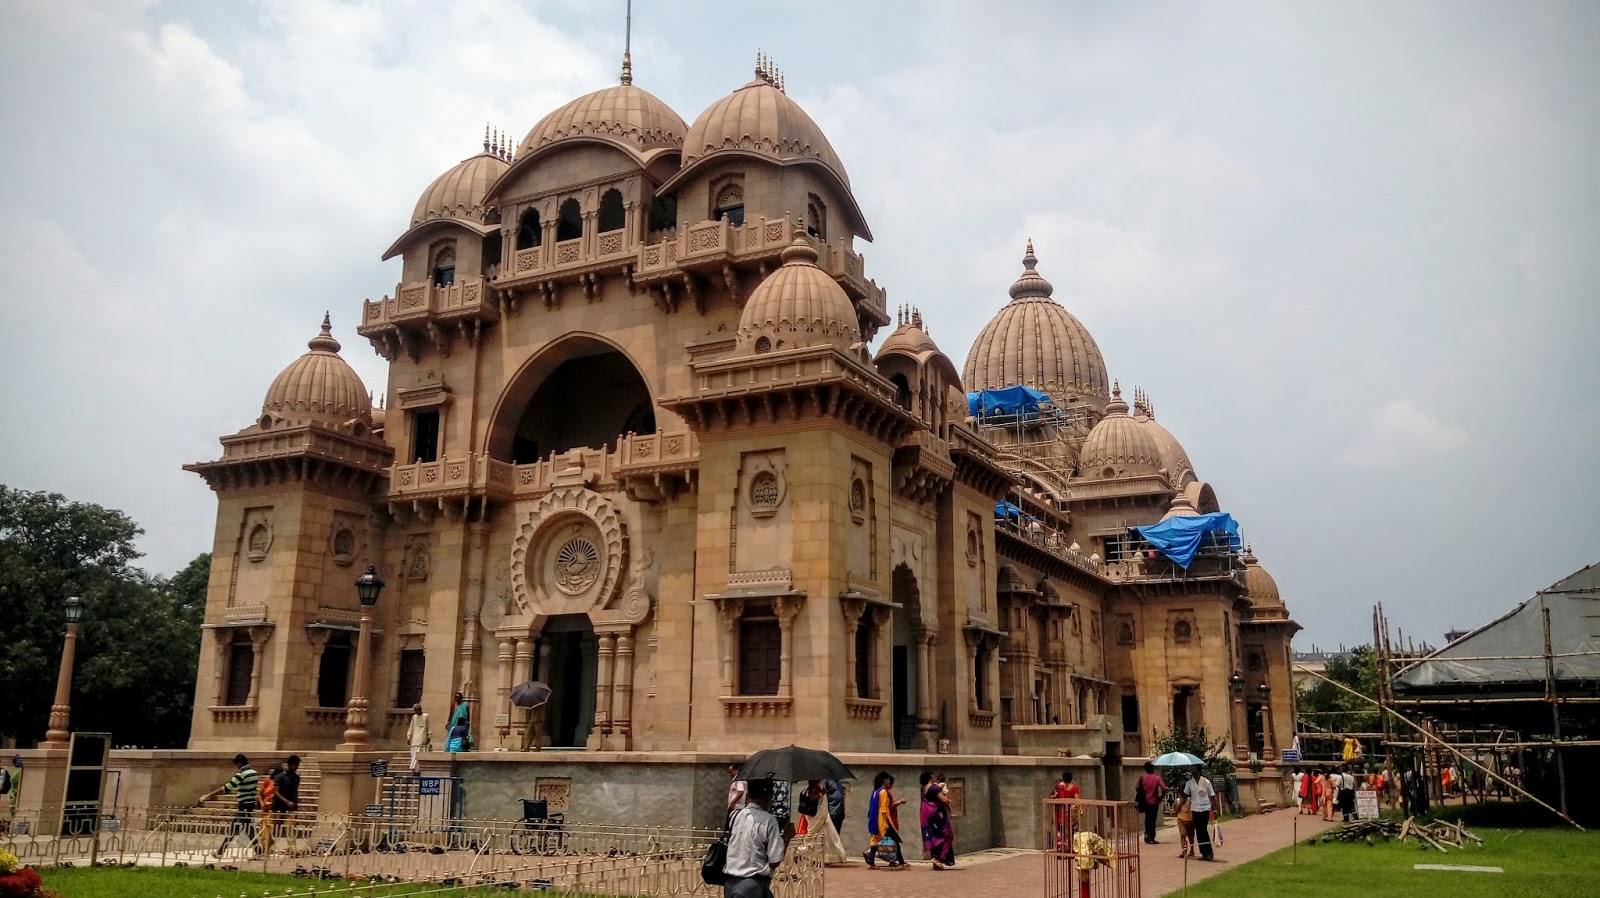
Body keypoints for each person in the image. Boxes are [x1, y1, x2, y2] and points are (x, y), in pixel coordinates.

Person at [722, 777, 789, 898]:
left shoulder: (734, 815)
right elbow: (775, 860)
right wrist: (787, 839)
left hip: (730, 884)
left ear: (747, 796)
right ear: (768, 797)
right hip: (752, 885)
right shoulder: (769, 820)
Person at [202, 754, 261, 857]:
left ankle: (221, 851)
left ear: (239, 763)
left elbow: (227, 788)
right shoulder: (254, 773)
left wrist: (209, 795)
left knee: (235, 828)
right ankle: (259, 851)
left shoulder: (241, 774)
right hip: (250, 803)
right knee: (246, 828)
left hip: (243, 804)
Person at [864, 772, 907, 869]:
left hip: (875, 819)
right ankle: (901, 862)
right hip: (883, 820)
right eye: (888, 780)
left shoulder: (875, 792)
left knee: (874, 840)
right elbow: (884, 809)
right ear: (884, 781)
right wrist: (887, 823)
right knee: (896, 840)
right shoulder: (883, 792)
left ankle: (871, 862)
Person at [919, 771, 955, 870]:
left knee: (936, 836)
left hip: (929, 816)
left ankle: (936, 860)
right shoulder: (933, 788)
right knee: (947, 835)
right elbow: (944, 800)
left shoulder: (923, 788)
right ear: (930, 777)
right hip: (938, 815)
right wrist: (948, 799)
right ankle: (938, 858)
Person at [1182, 767, 1215, 861]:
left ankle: (1209, 852)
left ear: (1199, 772)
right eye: (1192, 772)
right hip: (1195, 809)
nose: (1194, 774)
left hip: (1205, 809)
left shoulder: (1206, 782)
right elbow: (1185, 794)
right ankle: (1203, 853)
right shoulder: (1190, 783)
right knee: (1198, 832)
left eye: (1195, 772)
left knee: (1203, 830)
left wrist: (1214, 810)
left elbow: (1212, 796)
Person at [270, 756, 301, 853]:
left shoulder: (296, 778)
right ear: (290, 765)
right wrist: (287, 801)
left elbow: (295, 792)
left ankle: (292, 848)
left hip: (290, 807)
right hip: (278, 806)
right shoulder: (280, 777)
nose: (296, 767)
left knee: (290, 828)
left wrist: (295, 804)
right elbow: (276, 792)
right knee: (274, 828)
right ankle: (267, 847)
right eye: (295, 765)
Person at [1136, 761, 1165, 844]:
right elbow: (1163, 788)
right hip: (1154, 802)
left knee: (1147, 818)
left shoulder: (1142, 778)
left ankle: (1147, 835)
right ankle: (1152, 837)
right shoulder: (1157, 778)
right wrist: (1161, 796)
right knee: (1153, 819)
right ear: (1153, 769)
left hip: (1145, 802)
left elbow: (1137, 788)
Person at [1050, 769, 1081, 845]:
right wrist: (1080, 810)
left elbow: (1052, 797)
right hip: (1070, 812)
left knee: (1060, 830)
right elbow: (1077, 800)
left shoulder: (1058, 787)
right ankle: (1070, 846)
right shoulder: (1075, 788)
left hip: (1060, 812)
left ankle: (1060, 846)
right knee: (1071, 830)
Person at [256, 765, 279, 852]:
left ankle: (269, 846)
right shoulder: (267, 782)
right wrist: (261, 803)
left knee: (271, 828)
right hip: (265, 807)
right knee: (264, 828)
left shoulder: (279, 784)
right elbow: (259, 794)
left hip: (273, 808)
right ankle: (264, 846)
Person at [406, 703, 433, 772]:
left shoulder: (426, 716)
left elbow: (429, 727)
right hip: (414, 739)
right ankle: (413, 769)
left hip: (422, 739)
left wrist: (429, 737)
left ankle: (416, 770)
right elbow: (411, 728)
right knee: (413, 755)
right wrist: (408, 737)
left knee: (418, 755)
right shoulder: (414, 717)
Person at [1173, 792, 1195, 858]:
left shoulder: (1190, 800)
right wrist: (1181, 803)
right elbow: (1176, 811)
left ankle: (1192, 850)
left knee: (1191, 837)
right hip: (1181, 820)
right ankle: (1183, 850)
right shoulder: (1178, 801)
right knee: (1183, 834)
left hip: (1190, 820)